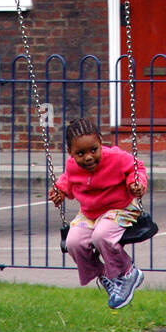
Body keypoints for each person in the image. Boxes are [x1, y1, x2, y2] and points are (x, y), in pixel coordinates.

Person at [49, 117, 148, 309]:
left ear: (101, 144)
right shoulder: (72, 165)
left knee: (101, 236)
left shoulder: (116, 158)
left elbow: (137, 169)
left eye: (93, 150)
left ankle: (127, 272)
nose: (88, 157)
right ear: (70, 153)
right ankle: (104, 276)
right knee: (73, 243)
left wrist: (136, 184)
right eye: (80, 153)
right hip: (90, 213)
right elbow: (68, 180)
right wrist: (60, 191)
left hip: (120, 208)